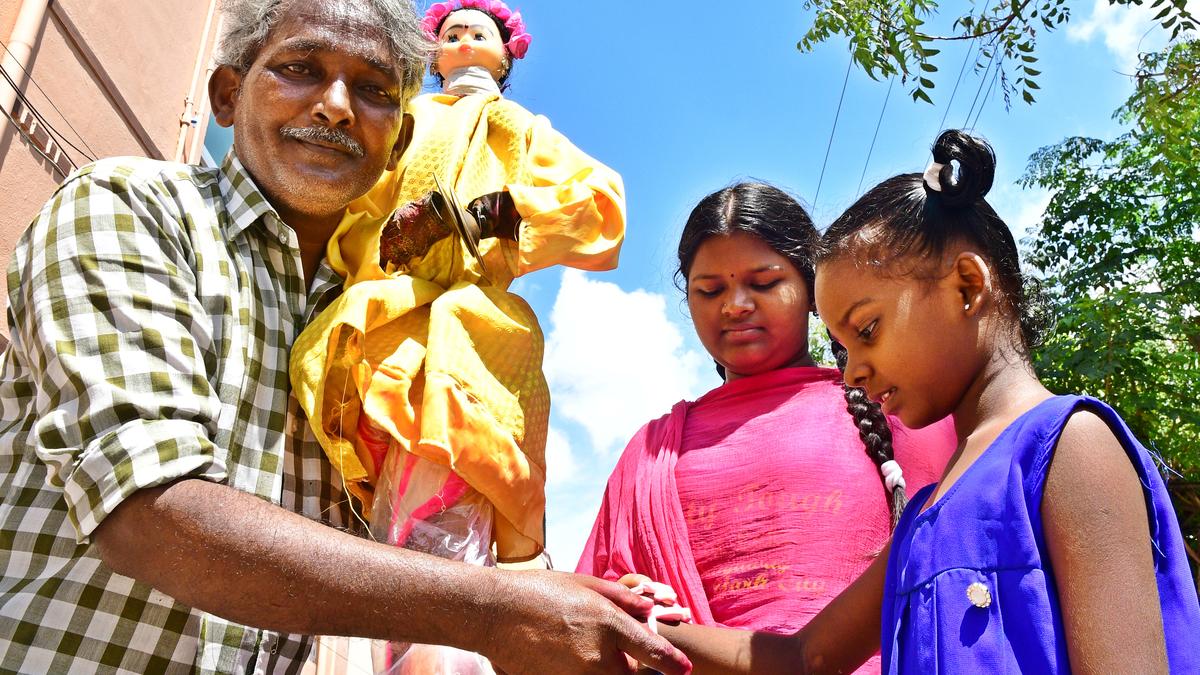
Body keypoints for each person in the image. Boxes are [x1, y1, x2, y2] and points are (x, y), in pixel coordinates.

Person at [0, 1, 691, 674]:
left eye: (373, 89)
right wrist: (503, 611)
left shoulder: (374, 324)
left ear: (397, 137)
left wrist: (599, 607)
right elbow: (150, 510)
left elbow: (429, 543)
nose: (335, 106)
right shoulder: (133, 208)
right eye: (299, 68)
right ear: (226, 94)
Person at [651, 131, 1200, 673]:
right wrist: (639, 621)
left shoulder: (1068, 446)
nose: (853, 372)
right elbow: (805, 656)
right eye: (840, 348)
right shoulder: (923, 515)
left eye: (867, 330)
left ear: (965, 286)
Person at [289, 0, 625, 573]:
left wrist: (487, 216)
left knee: (453, 487)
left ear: (507, 54)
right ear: (432, 54)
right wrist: (389, 241)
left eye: (479, 30)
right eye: (451, 32)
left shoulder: (520, 128)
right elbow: (356, 205)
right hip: (385, 318)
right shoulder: (403, 119)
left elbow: (600, 206)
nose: (465, 37)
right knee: (372, 506)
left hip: (476, 333)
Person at [575, 182, 955, 672]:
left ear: (813, 289)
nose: (735, 305)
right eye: (710, 290)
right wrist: (628, 600)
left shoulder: (895, 407)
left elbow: (956, 572)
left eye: (764, 283)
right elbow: (587, 619)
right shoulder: (650, 452)